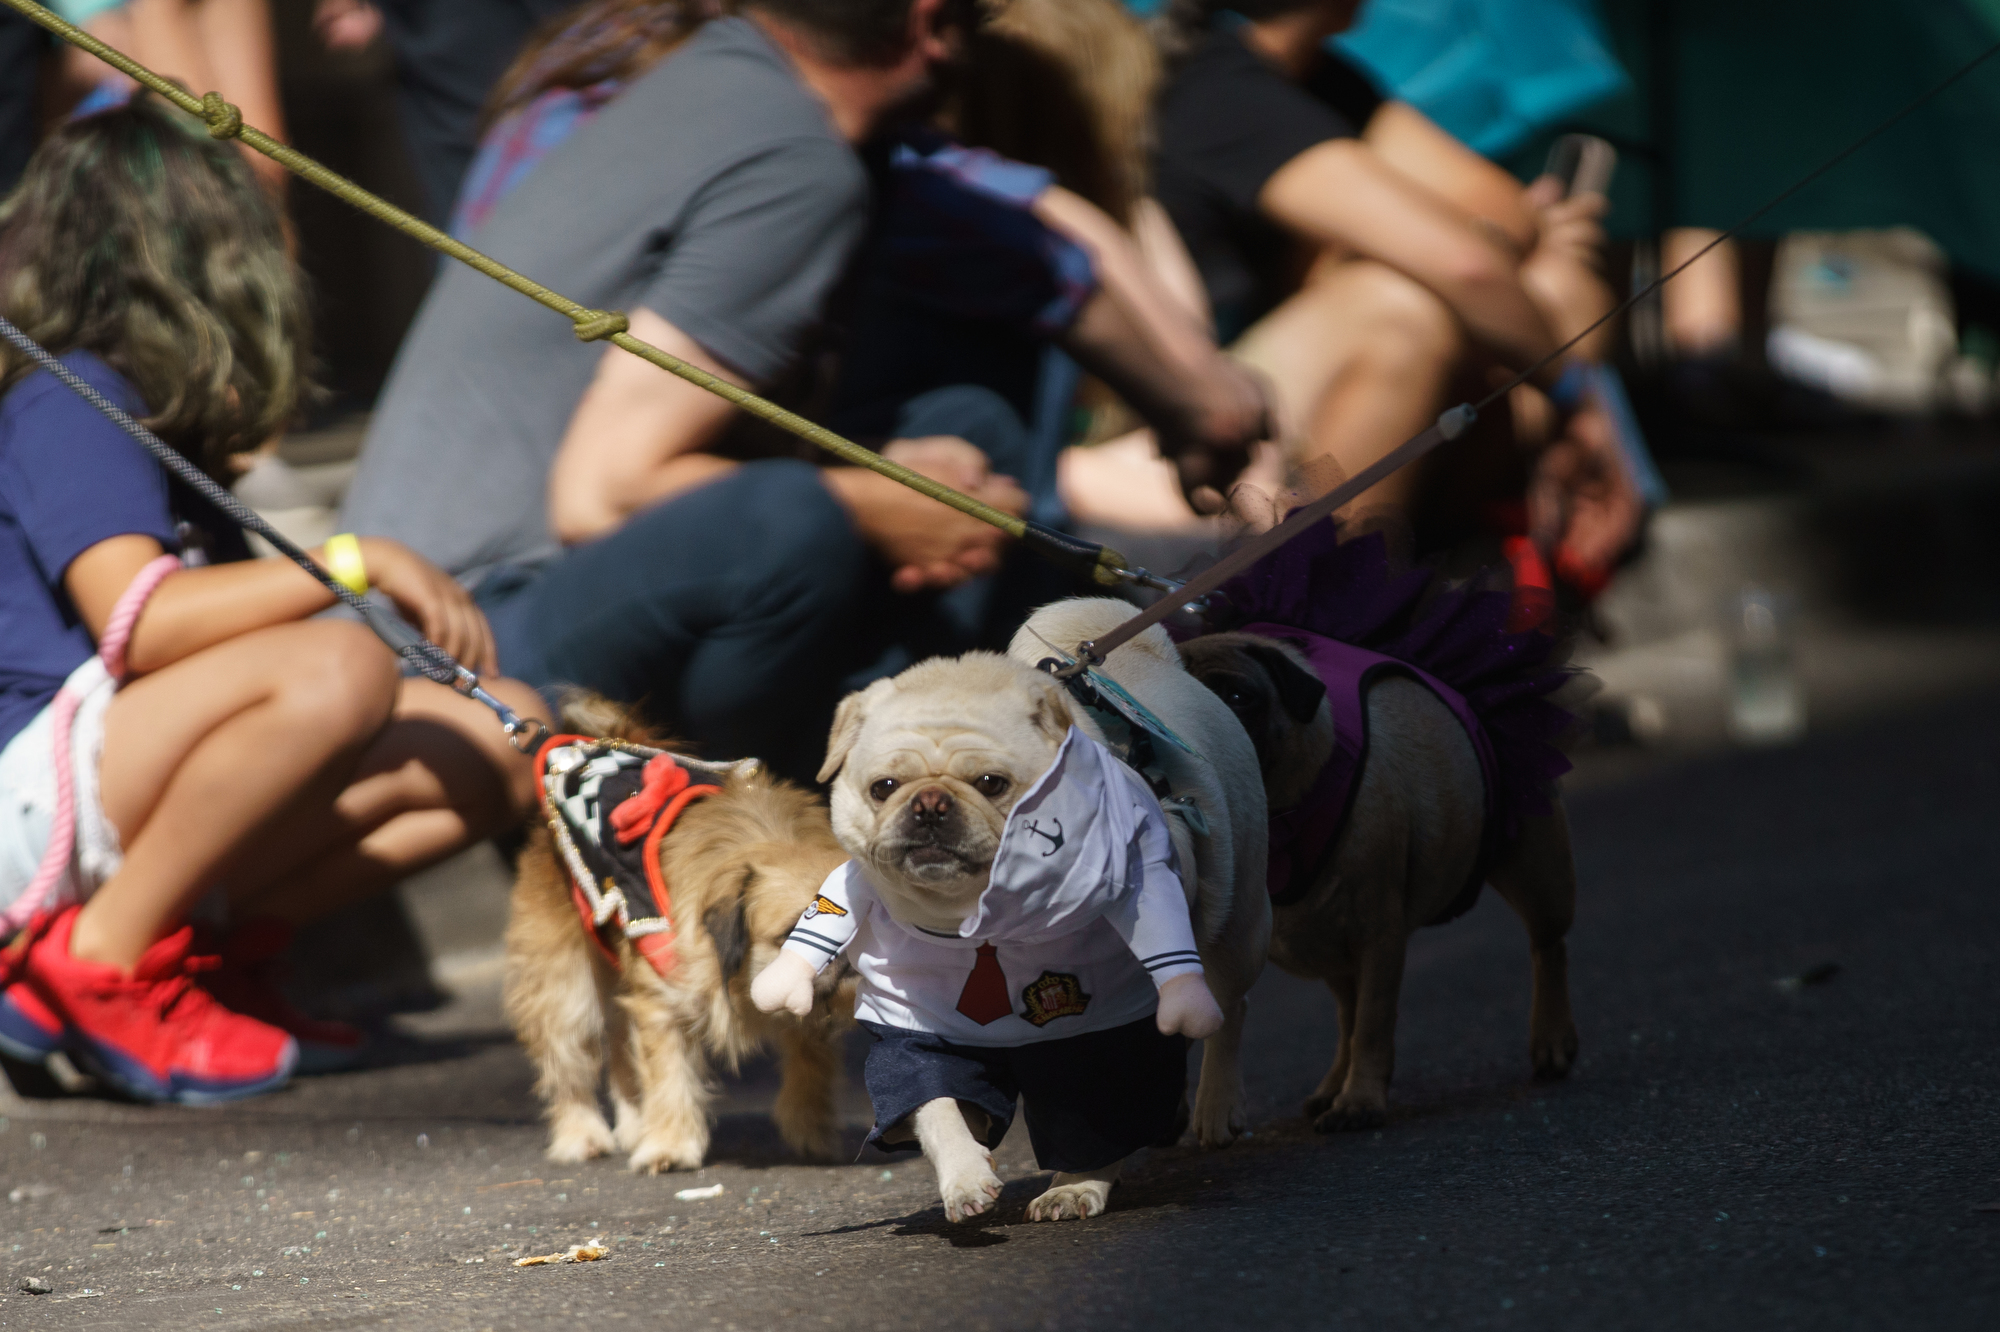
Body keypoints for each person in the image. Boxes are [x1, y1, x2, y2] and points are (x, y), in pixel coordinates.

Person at [0, 99, 549, 1102]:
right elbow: (139, 623)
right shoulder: (69, 395)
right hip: (31, 795)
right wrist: (354, 560)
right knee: (336, 665)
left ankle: (197, 960)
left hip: (114, 782)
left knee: (502, 734)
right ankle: (99, 962)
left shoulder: (152, 412)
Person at [1145, 0, 1641, 590]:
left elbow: (1503, 216)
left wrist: (1416, 244)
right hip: (1178, 423)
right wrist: (1579, 401)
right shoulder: (1216, 84)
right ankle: (1321, 611)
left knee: (1559, 280)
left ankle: (1525, 563)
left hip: (1281, 390)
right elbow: (1465, 264)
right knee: (1404, 307)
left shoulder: (1321, 76)